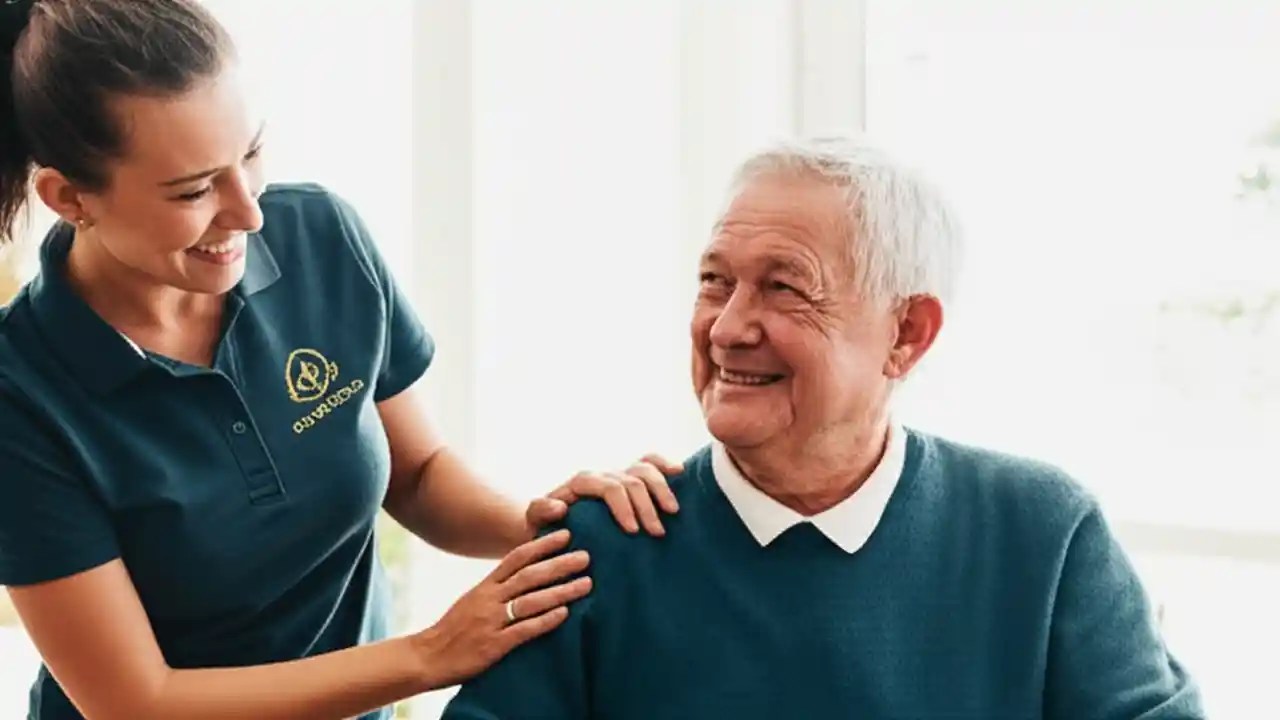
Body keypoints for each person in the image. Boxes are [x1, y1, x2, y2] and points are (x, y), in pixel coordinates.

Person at [0, 2, 684, 719]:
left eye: (252, 154)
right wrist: (430, 654)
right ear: (69, 196)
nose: (250, 212)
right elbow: (139, 702)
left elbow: (417, 476)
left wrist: (555, 531)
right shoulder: (22, 395)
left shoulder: (320, 239)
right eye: (195, 190)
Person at [442, 135, 1208, 719]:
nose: (728, 327)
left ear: (907, 333)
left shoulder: (1043, 531)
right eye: (716, 282)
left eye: (783, 288)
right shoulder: (599, 549)